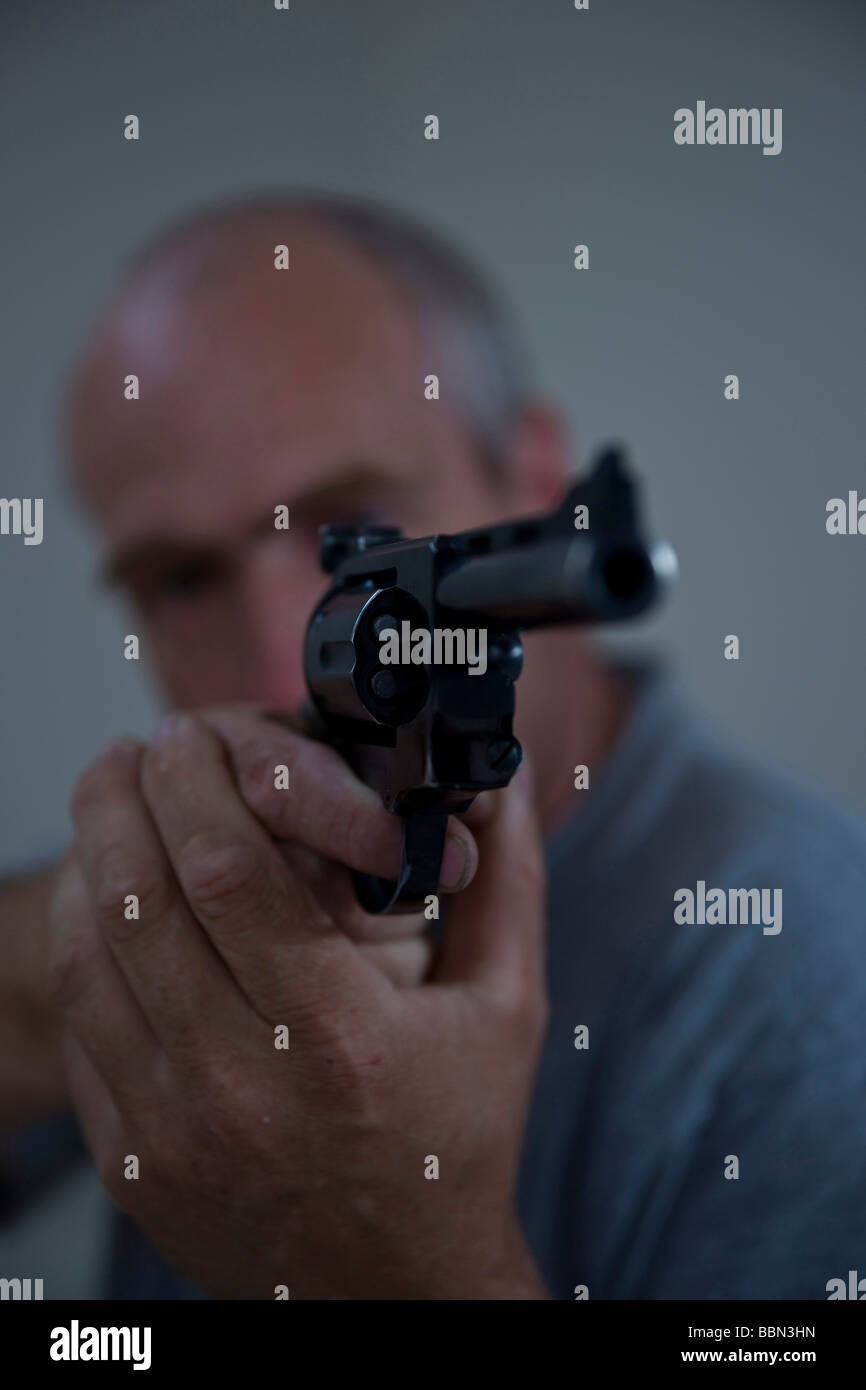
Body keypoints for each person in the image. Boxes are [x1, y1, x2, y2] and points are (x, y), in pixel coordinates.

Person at [2, 193, 865, 1299]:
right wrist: (105, 933)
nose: (281, 662)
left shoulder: (810, 995)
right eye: (181, 578)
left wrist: (399, 1263)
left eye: (344, 524)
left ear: (535, 481)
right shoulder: (198, 871)